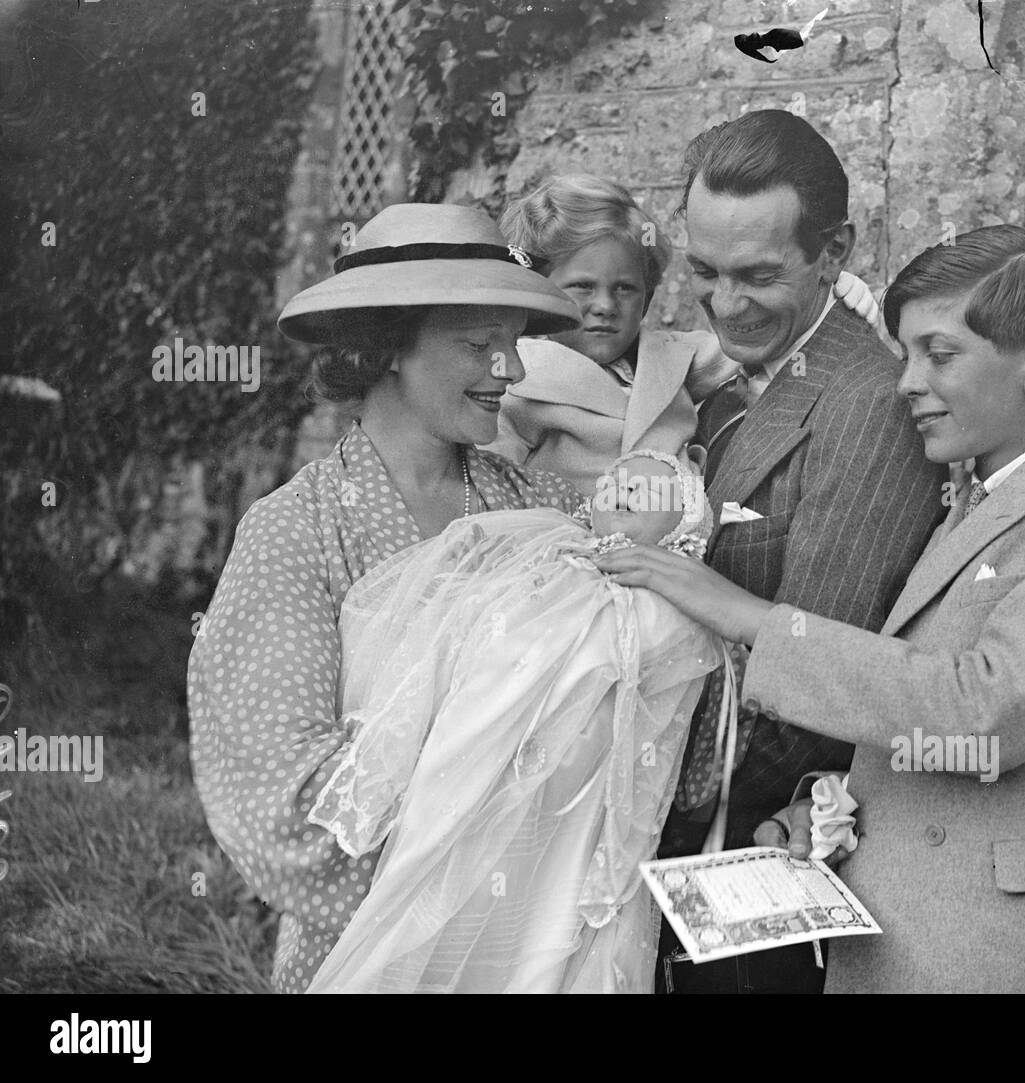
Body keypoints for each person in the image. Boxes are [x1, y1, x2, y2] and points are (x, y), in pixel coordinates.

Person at [595, 224, 1025, 994]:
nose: (907, 381)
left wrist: (744, 614)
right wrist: (830, 809)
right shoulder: (961, 509)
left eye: (939, 355)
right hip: (895, 953)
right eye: (905, 353)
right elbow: (910, 717)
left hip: (1006, 959)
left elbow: (986, 709)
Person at [187, 203, 589, 993]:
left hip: (536, 942)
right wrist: (484, 812)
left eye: (512, 342)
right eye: (479, 343)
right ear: (387, 346)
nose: (511, 370)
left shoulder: (544, 506)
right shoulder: (295, 532)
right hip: (376, 950)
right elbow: (285, 796)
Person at [649, 109, 947, 994]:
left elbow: (816, 684)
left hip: (747, 870)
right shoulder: (706, 386)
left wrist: (653, 806)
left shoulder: (866, 402)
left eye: (759, 276)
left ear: (835, 252)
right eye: (703, 271)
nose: (727, 303)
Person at [304, 449, 722, 993]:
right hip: (476, 764)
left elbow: (647, 697)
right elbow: (462, 636)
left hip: (577, 803)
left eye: (648, 491)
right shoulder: (550, 557)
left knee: (542, 930)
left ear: (682, 526)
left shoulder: (667, 609)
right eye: (614, 481)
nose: (623, 491)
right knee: (436, 900)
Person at [486, 173, 881, 494]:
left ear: (647, 296)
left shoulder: (670, 356)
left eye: (625, 288)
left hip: (685, 552)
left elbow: (774, 339)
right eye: (582, 287)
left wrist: (827, 286)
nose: (605, 305)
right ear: (537, 292)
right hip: (576, 555)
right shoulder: (516, 380)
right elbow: (492, 485)